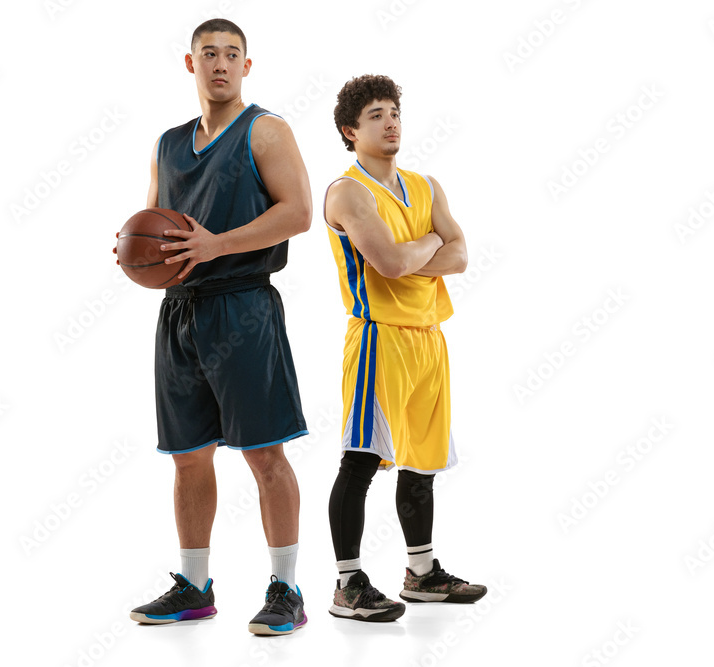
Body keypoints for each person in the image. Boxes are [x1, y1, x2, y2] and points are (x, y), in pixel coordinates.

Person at [128, 19, 310, 636]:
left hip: (244, 305)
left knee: (264, 453)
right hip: (180, 312)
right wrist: (138, 254)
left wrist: (217, 245)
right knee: (187, 456)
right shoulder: (167, 144)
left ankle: (287, 588)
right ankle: (195, 586)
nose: (221, 64)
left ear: (246, 66)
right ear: (191, 63)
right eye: (209, 54)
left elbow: (298, 213)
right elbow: (155, 221)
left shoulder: (266, 130)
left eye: (232, 54)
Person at [323, 74, 487, 621]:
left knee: (422, 462)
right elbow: (390, 265)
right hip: (379, 338)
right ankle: (348, 585)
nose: (390, 122)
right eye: (375, 115)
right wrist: (434, 240)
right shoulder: (347, 192)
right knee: (362, 459)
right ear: (350, 131)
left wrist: (421, 249)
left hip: (429, 337)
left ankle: (422, 573)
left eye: (394, 112)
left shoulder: (426, 185)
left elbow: (461, 257)